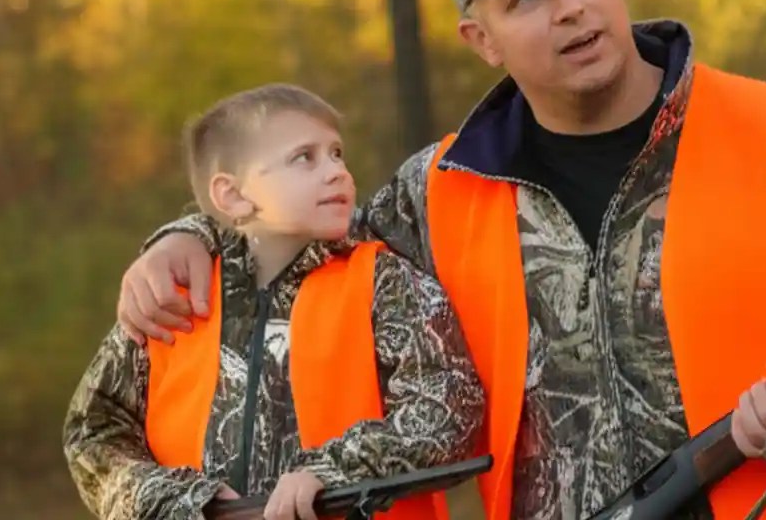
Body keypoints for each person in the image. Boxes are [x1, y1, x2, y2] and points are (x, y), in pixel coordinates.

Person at [113, 0, 766, 520]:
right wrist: (187, 235)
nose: (571, 8)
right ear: (480, 39)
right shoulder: (436, 192)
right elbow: (298, 254)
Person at [63, 83, 484, 520]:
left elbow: (450, 404)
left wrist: (332, 472)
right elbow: (94, 429)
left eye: (337, 153)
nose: (337, 172)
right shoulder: (171, 298)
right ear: (233, 195)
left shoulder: (384, 282)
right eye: (305, 157)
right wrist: (182, 500)